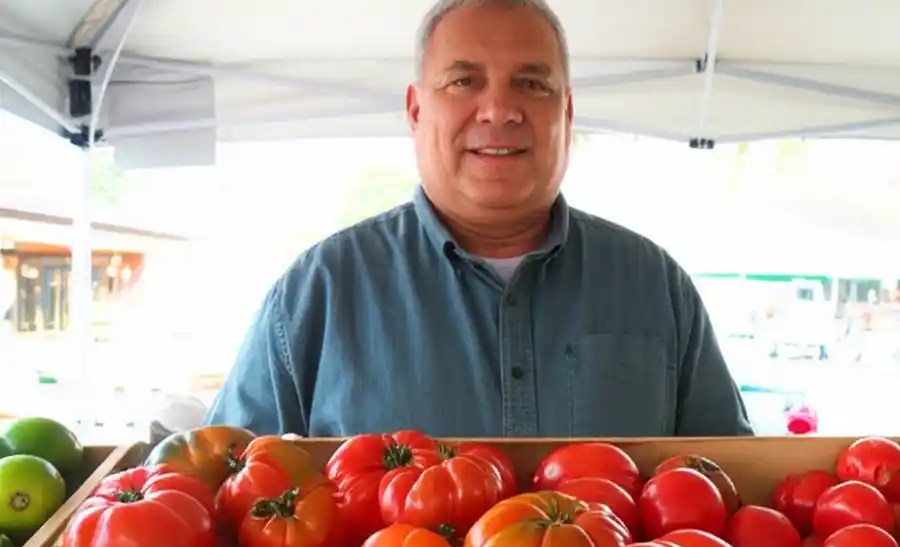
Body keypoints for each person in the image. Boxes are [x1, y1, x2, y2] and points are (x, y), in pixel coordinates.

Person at [206, 0, 752, 439]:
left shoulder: (654, 285)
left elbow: (730, 491)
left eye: (532, 84)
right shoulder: (320, 291)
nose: (498, 110)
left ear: (566, 112)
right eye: (463, 82)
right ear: (417, 110)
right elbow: (224, 491)